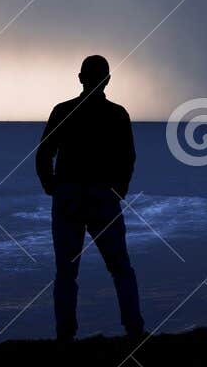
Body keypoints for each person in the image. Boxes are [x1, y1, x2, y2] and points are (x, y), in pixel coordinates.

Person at [36, 55, 145, 341]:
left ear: (80, 78)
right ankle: (134, 329)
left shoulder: (63, 111)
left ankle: (65, 334)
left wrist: (53, 187)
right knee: (120, 267)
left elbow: (44, 154)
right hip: (101, 197)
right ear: (107, 80)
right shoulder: (117, 114)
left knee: (66, 271)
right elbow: (128, 158)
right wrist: (118, 189)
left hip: (69, 197)